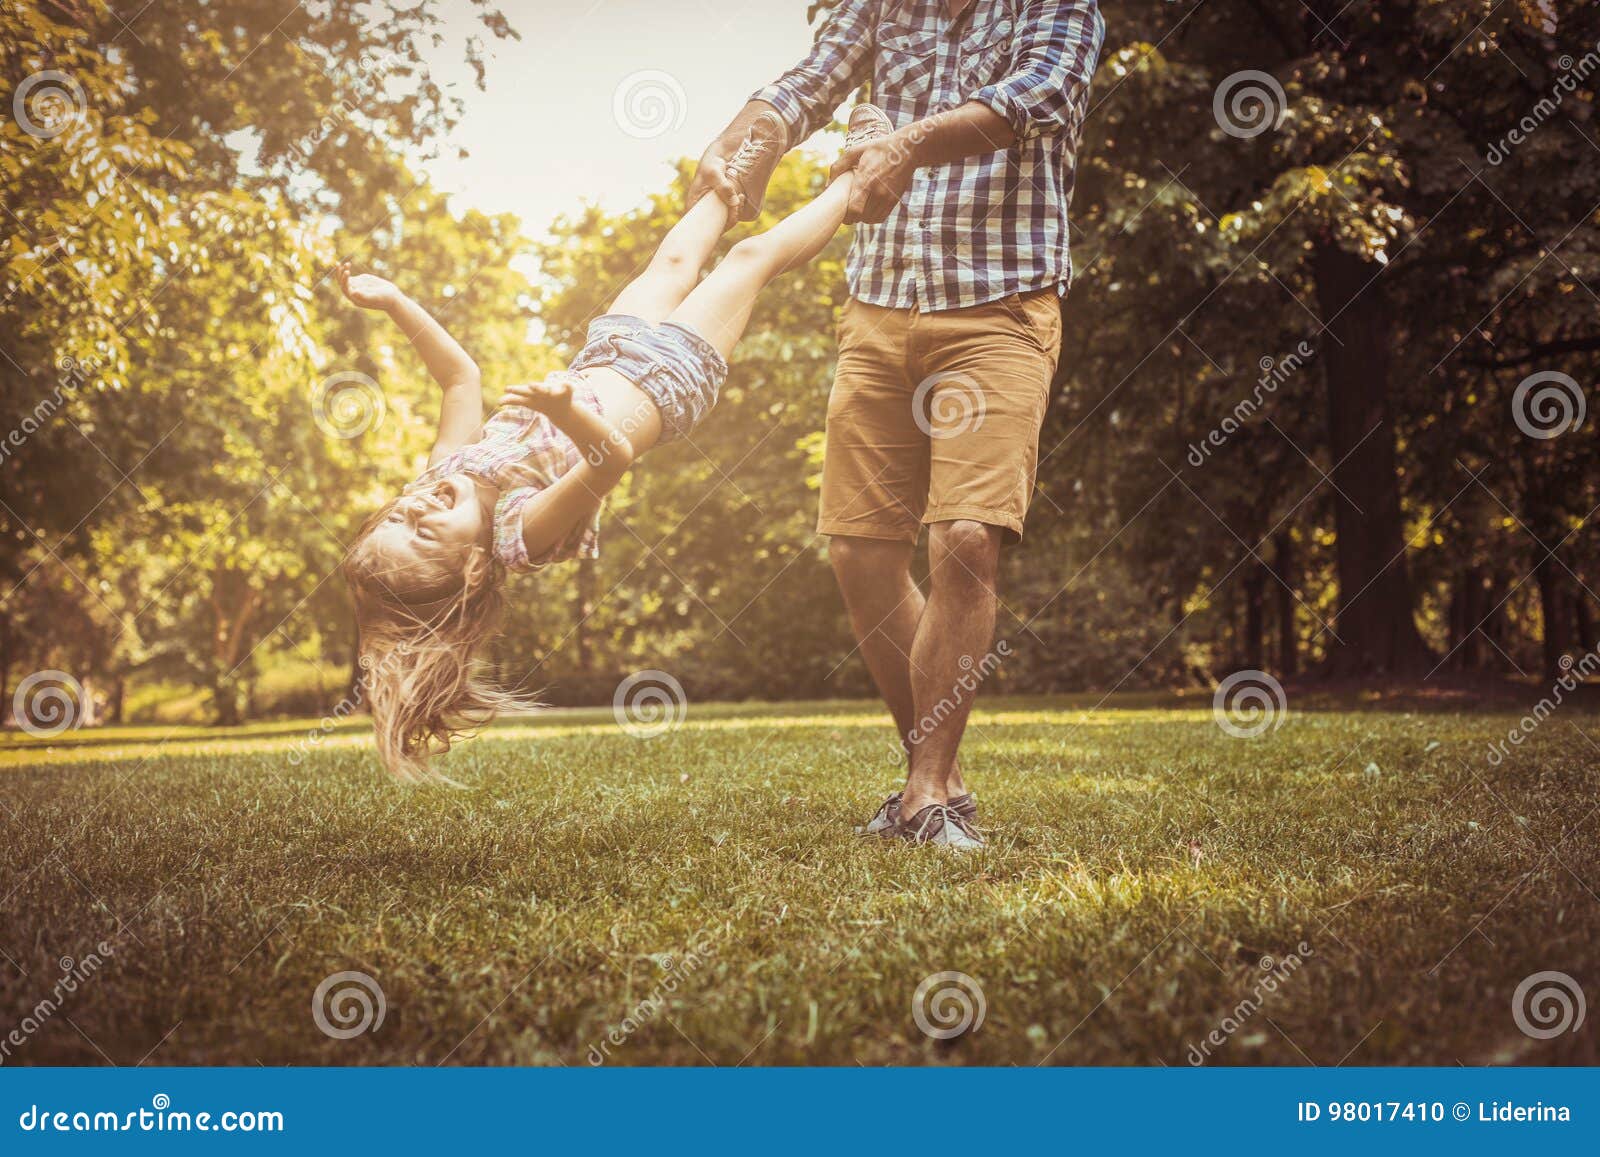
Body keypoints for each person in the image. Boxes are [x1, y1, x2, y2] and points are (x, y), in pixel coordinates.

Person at [337, 105, 892, 782]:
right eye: (424, 534)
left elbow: (460, 375)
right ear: (472, 569)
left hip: (611, 348)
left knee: (677, 254)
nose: (417, 507)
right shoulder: (518, 532)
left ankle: (737, 183)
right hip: (669, 379)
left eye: (399, 514)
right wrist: (567, 414)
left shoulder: (443, 471)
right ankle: (854, 183)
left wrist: (397, 302)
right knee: (750, 260)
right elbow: (609, 462)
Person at [691, 1, 1106, 848]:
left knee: (964, 536)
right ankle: (939, 780)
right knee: (858, 545)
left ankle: (922, 794)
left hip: (1001, 303)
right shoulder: (883, 6)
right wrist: (748, 138)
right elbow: (805, 86)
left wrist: (904, 143)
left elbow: (1033, 97)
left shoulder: (1058, 6)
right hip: (880, 304)